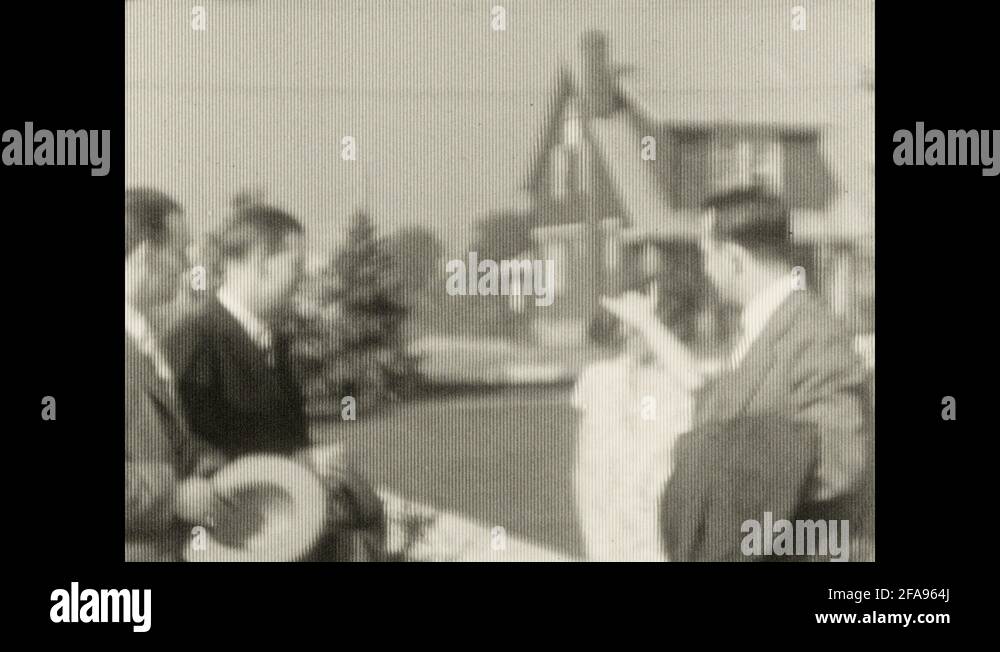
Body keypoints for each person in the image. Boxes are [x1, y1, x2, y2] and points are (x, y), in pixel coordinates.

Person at [606, 186, 870, 559]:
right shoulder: (765, 324)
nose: (705, 268)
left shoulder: (814, 331)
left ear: (733, 258)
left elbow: (841, 461)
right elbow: (717, 401)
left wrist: (707, 463)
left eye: (705, 254)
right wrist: (648, 325)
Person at [168, 202, 386, 560]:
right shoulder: (195, 339)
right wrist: (296, 464)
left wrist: (313, 463)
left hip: (278, 534)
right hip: (231, 544)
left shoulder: (274, 342)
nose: (303, 279)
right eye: (296, 266)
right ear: (262, 264)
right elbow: (187, 455)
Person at [574, 278, 722, 561]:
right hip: (614, 535)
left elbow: (693, 380)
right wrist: (596, 543)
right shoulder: (599, 379)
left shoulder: (676, 380)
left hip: (661, 535)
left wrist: (646, 322)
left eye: (638, 322)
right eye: (626, 323)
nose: (629, 332)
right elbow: (586, 473)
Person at [124, 188, 226, 562]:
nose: (187, 267)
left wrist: (199, 458)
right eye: (180, 251)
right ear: (147, 255)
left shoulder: (142, 336)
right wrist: (176, 496)